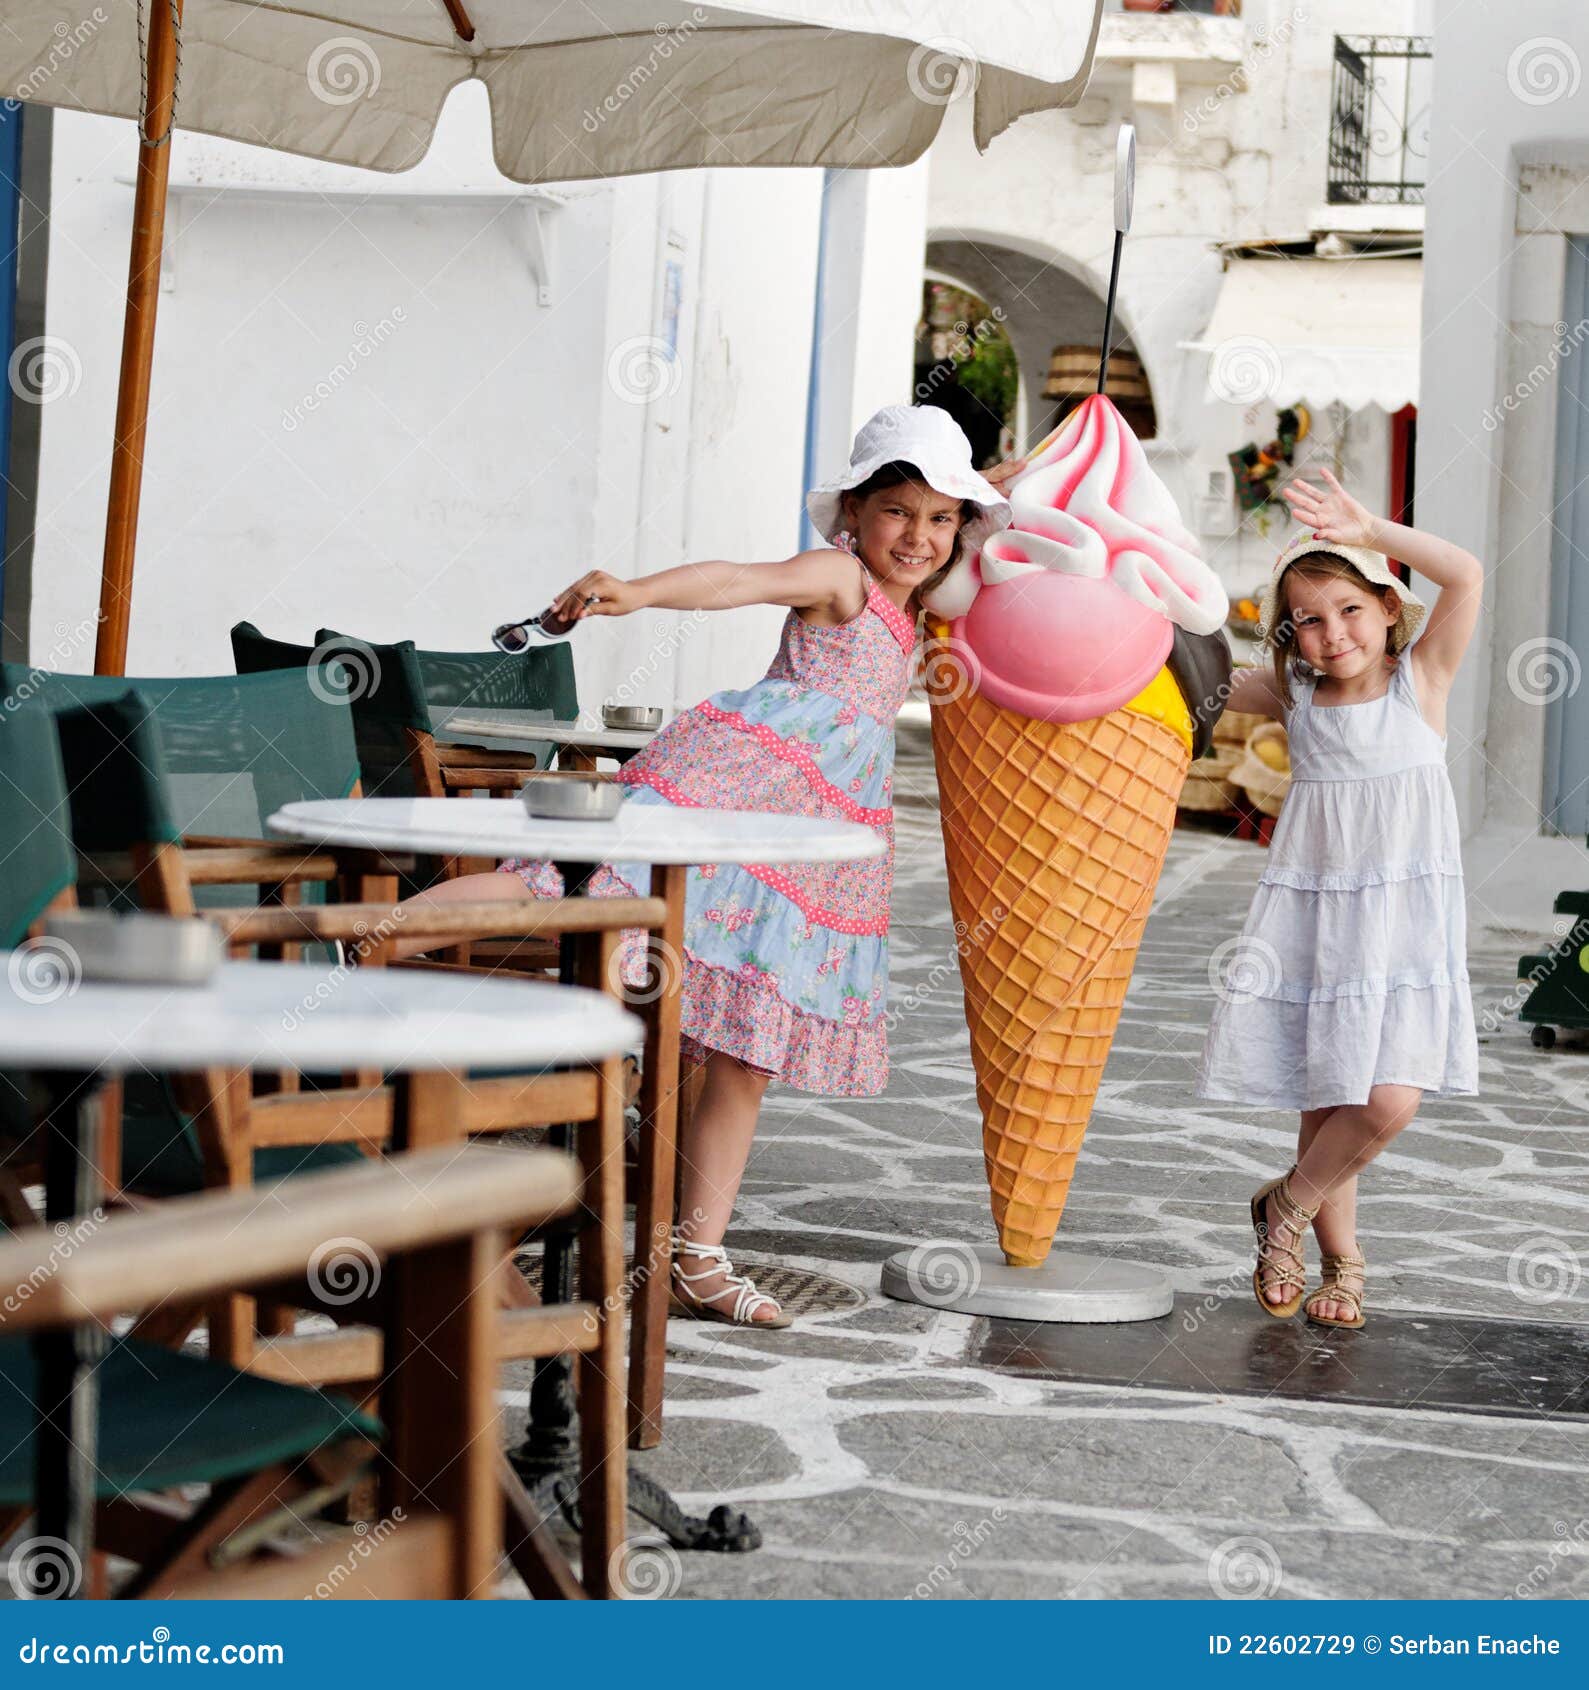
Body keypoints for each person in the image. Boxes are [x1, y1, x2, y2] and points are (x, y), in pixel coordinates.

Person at [404, 405, 1018, 1327]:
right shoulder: (840, 576)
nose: (919, 535)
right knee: (570, 884)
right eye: (898, 510)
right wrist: (637, 592)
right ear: (854, 512)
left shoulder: (915, 600)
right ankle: (359, 948)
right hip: (743, 782)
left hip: (805, 846)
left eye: (940, 518)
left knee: (746, 1051)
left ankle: (697, 1254)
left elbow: (997, 538)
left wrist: (997, 492)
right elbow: (737, 578)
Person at [1196, 469, 1484, 1329]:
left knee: (1388, 1099)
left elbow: (1465, 573)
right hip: (1320, 917)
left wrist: (1369, 525)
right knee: (1329, 1095)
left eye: (1350, 609)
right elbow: (1193, 671)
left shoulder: (1419, 681)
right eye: (1309, 621)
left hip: (1404, 925)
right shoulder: (1295, 697)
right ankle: (1340, 1265)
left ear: (1389, 607)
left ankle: (1282, 1206)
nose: (1332, 634)